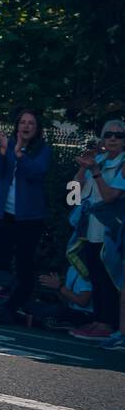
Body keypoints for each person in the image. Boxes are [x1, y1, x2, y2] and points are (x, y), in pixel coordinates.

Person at [0, 108, 52, 321]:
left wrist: (20, 154)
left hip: (29, 217)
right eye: (22, 122)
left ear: (37, 128)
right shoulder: (8, 144)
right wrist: (3, 152)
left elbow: (37, 173)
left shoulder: (42, 149)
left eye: (31, 123)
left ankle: (18, 306)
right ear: (17, 126)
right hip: (3, 213)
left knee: (24, 263)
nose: (26, 126)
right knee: (0, 260)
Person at [67, 120, 125, 340]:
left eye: (118, 136)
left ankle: (107, 324)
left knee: (109, 275)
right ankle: (98, 319)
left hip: (113, 230)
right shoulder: (97, 160)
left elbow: (111, 196)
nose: (112, 139)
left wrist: (96, 172)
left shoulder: (122, 163)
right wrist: (83, 166)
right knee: (96, 275)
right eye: (108, 134)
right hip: (90, 227)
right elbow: (73, 195)